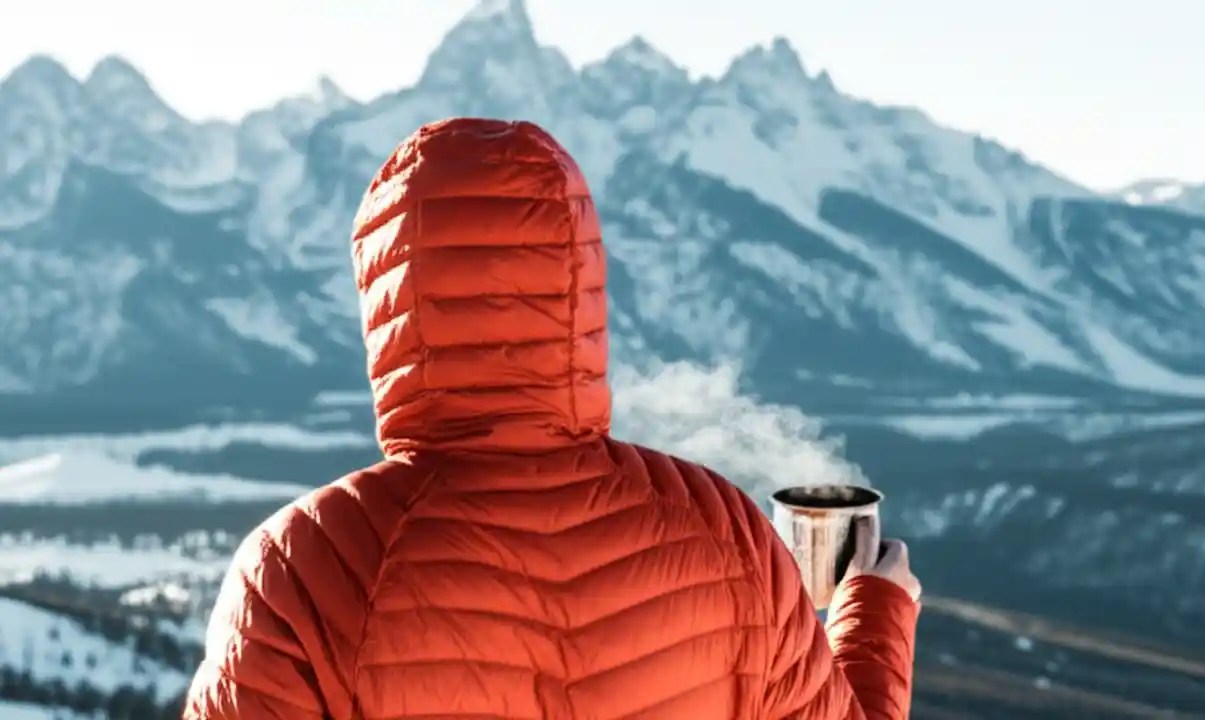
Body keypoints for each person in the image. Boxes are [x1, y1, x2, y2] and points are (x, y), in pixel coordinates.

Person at [183, 118, 921, 720]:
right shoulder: (722, 529)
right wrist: (876, 613)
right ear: (581, 278)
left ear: (389, 298)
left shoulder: (303, 567)